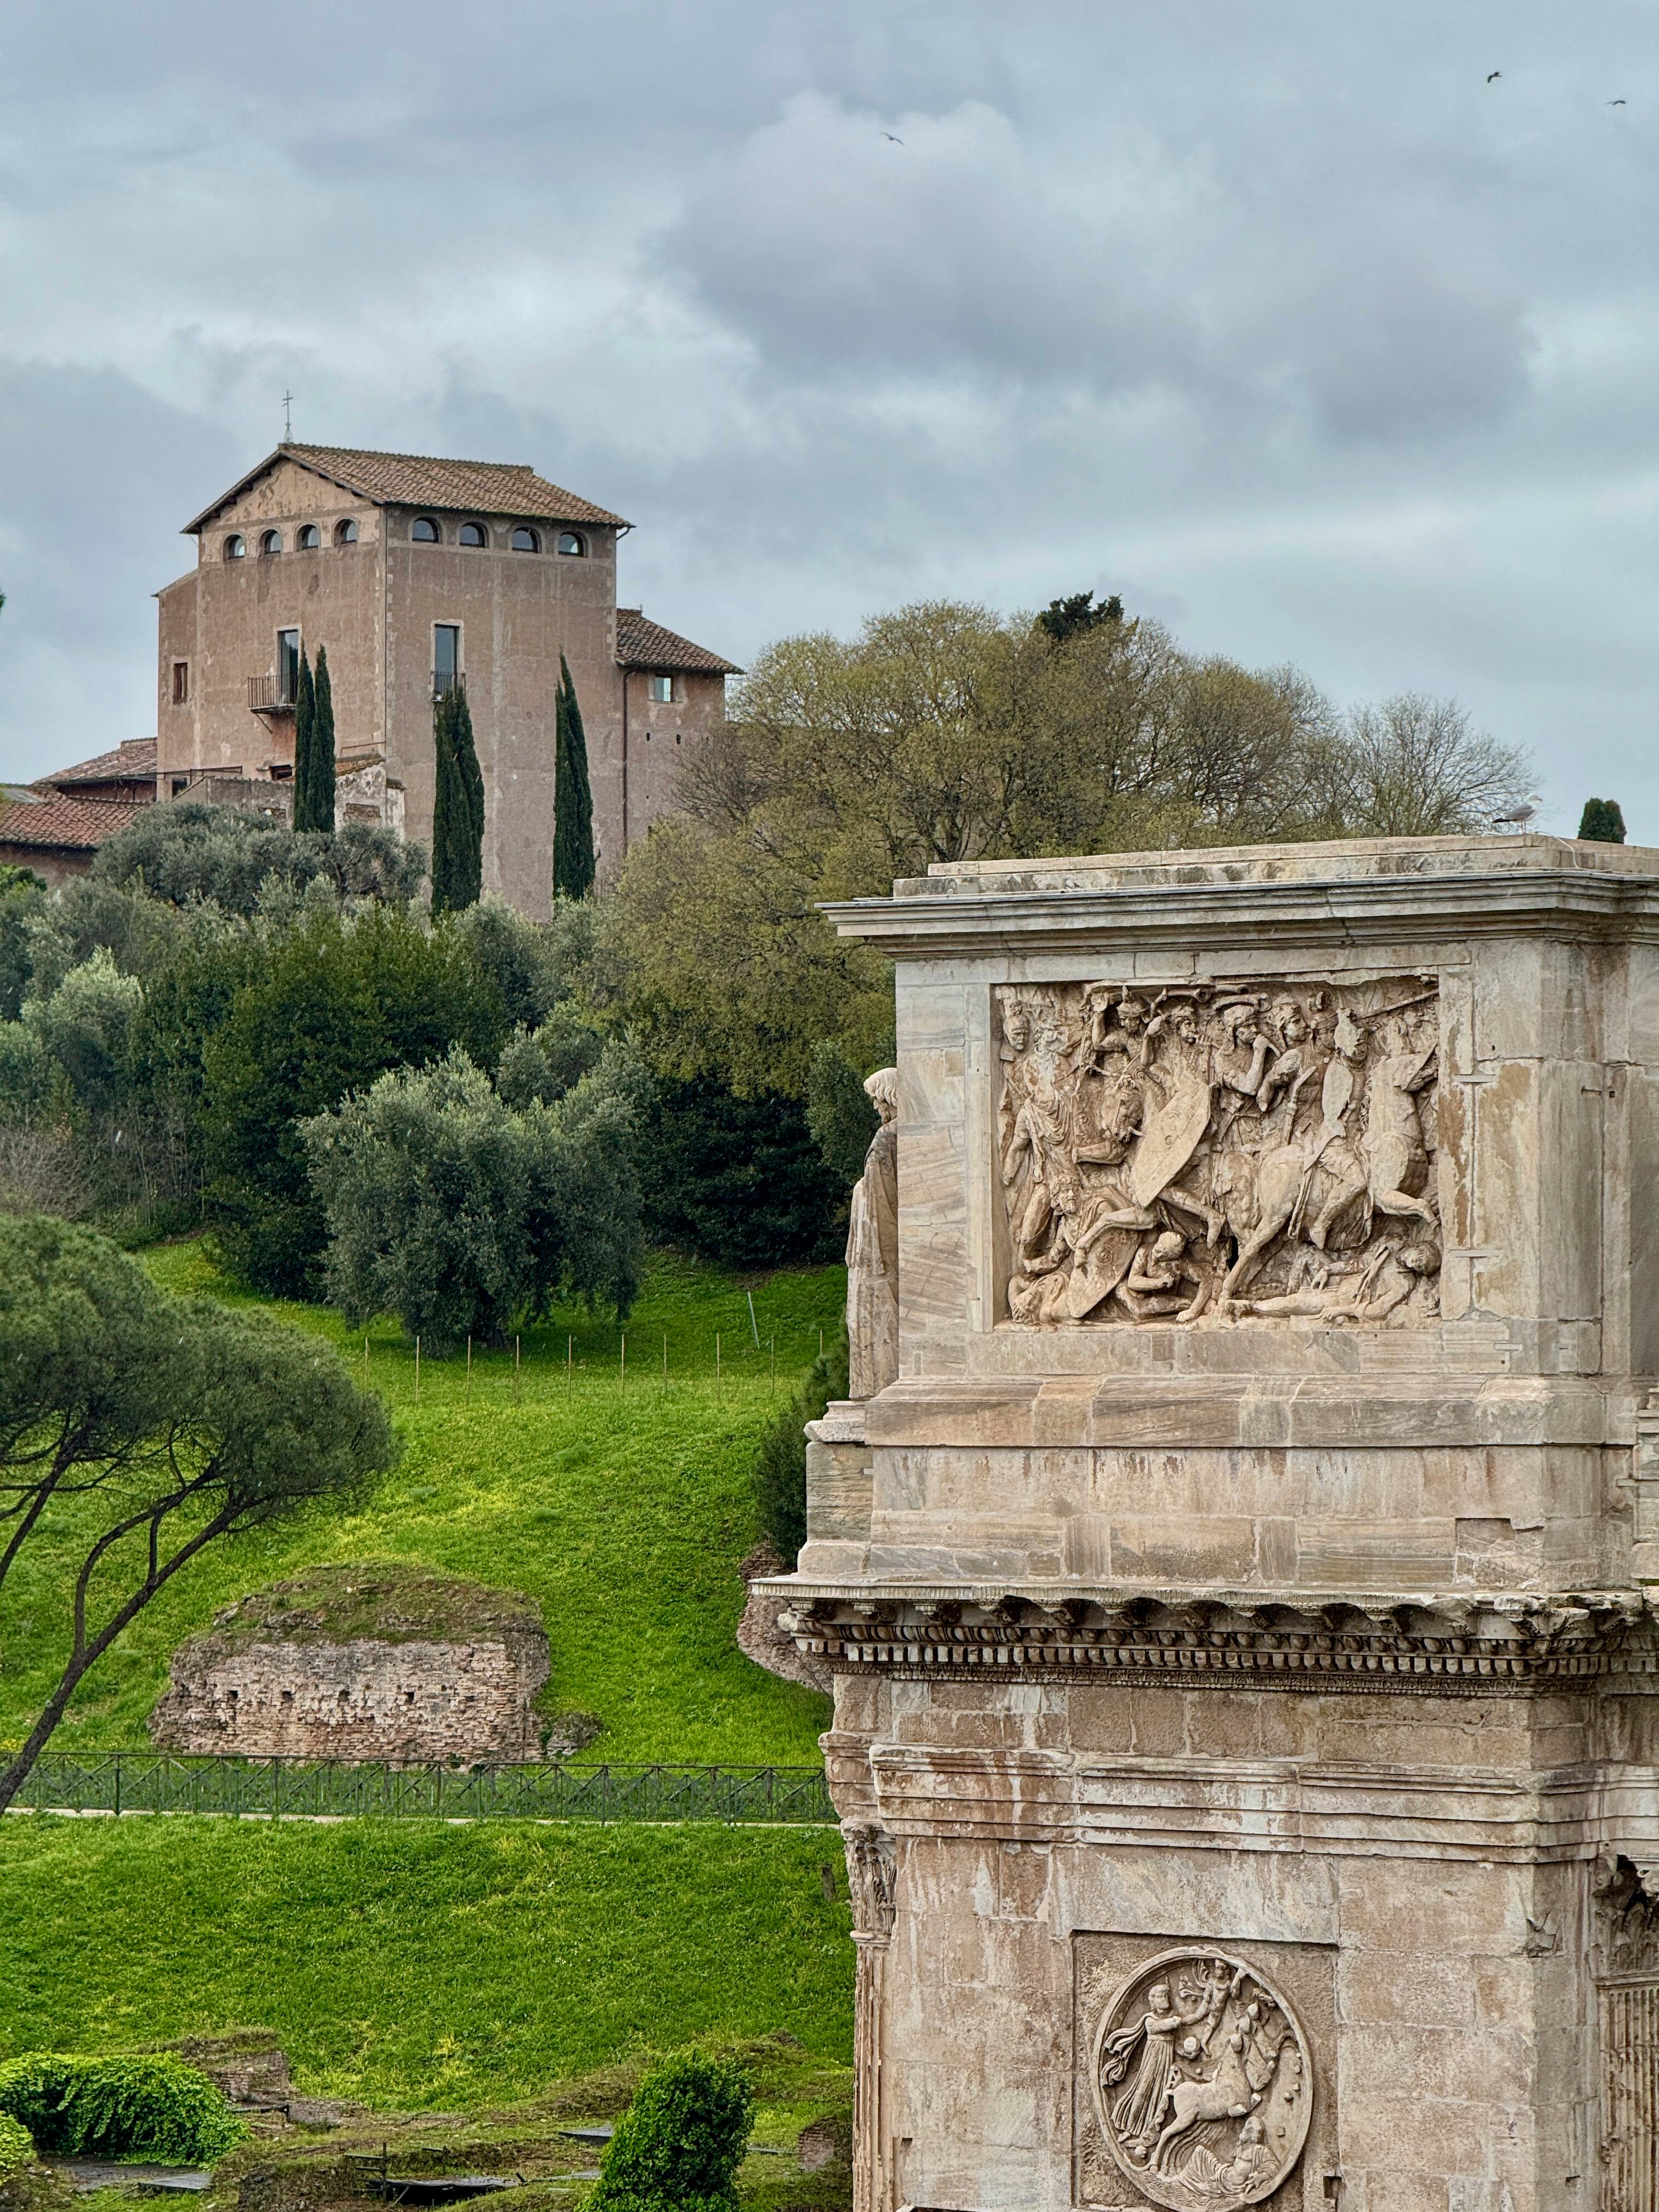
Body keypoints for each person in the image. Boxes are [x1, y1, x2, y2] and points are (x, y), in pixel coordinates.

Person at [847, 1068, 899, 1399]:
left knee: (872, 1319)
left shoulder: (887, 1137)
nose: (878, 1108)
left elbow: (882, 1199)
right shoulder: (908, 1134)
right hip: (882, 1242)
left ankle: (876, 1386)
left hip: (877, 1249)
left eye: (879, 1100)